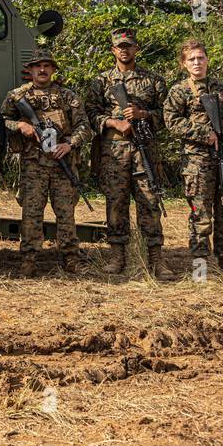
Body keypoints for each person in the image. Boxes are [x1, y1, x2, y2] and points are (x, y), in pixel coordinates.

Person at [83, 28, 172, 277]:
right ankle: (116, 256)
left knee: (150, 202)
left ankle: (155, 259)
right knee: (116, 203)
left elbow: (168, 115)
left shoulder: (154, 80)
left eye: (129, 46)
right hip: (113, 151)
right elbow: (89, 113)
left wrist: (143, 115)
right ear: (113, 50)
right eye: (120, 46)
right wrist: (114, 123)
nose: (124, 49)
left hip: (145, 150)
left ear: (136, 49)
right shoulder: (100, 82)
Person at [0, 49, 91, 277]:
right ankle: (29, 259)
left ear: (53, 69)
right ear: (29, 70)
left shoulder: (67, 96)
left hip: (63, 165)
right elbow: (1, 121)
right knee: (31, 214)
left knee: (66, 214)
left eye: (47, 66)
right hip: (33, 164)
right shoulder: (17, 96)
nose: (42, 70)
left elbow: (84, 126)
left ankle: (70, 258)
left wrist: (69, 144)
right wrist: (22, 127)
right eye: (37, 66)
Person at [164, 39, 223, 274]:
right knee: (200, 215)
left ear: (207, 60)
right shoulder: (180, 90)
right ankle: (200, 266)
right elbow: (171, 121)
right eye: (192, 59)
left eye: (200, 57)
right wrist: (204, 133)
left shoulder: (221, 87)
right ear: (184, 64)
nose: (197, 62)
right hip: (198, 163)